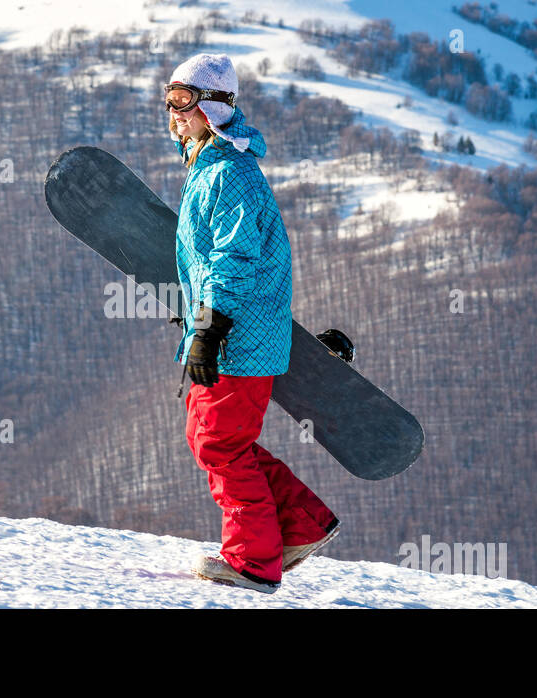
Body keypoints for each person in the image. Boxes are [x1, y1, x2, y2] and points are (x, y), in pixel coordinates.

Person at [166, 53, 340, 594]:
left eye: (182, 101)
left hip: (238, 338)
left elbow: (233, 260)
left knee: (220, 444)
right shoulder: (209, 168)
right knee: (209, 438)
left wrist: (212, 327)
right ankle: (298, 524)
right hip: (229, 329)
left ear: (213, 107)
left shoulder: (230, 174)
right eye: (167, 101)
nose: (172, 113)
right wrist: (200, 317)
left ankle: (252, 561)